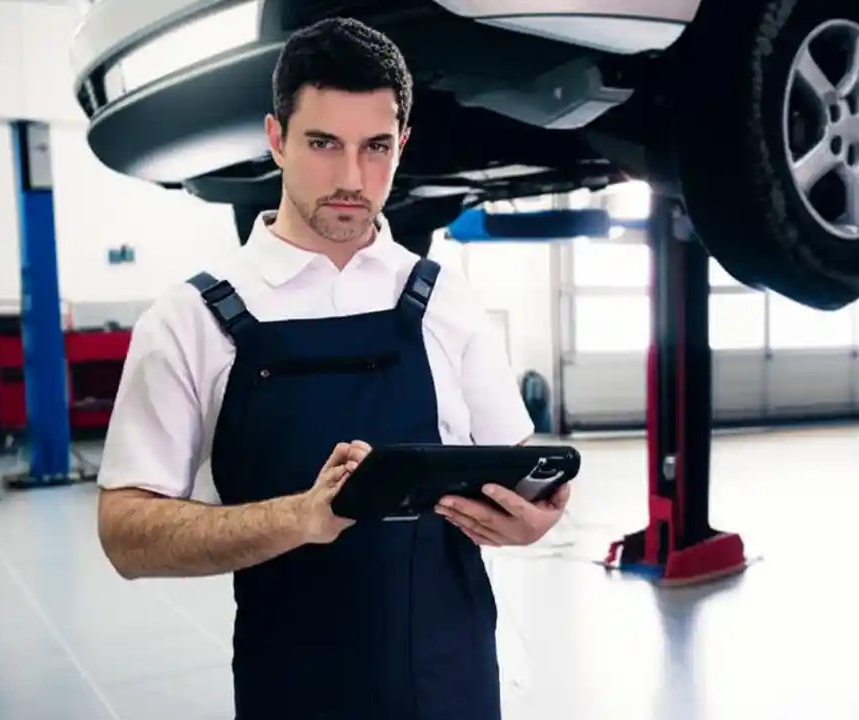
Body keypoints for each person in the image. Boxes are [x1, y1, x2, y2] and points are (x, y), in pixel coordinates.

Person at [94, 16, 571, 720]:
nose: (352, 178)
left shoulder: (443, 299)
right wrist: (301, 517)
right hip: (292, 690)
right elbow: (125, 534)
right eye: (323, 144)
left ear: (402, 145)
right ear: (277, 139)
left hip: (452, 681)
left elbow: (518, 458)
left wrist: (534, 516)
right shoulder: (192, 317)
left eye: (376, 147)